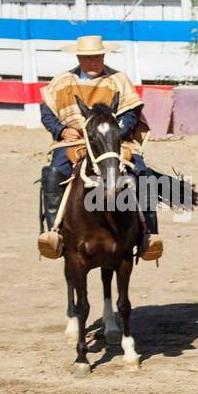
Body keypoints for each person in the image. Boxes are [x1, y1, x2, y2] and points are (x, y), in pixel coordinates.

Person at [38, 35, 162, 260]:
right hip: (73, 141)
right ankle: (54, 231)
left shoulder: (118, 80)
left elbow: (131, 113)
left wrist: (116, 134)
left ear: (104, 55)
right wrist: (62, 130)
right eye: (88, 58)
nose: (93, 62)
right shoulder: (62, 82)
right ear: (79, 57)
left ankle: (148, 233)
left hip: (112, 141)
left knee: (142, 172)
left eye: (97, 57)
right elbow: (47, 113)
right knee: (54, 172)